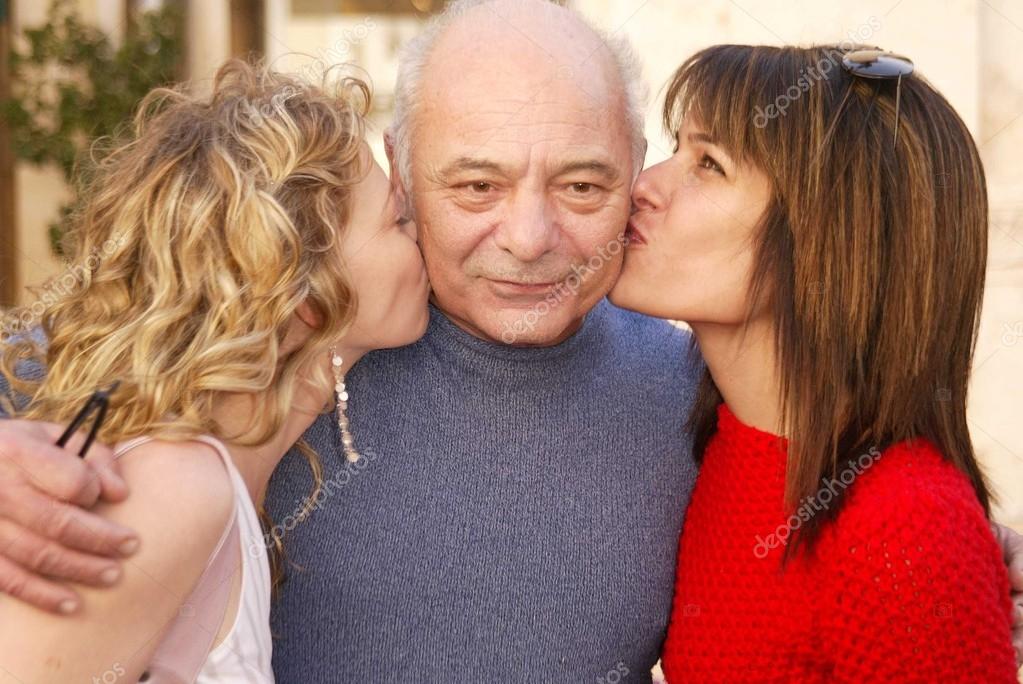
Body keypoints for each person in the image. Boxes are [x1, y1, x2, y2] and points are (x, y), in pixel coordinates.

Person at [0, 2, 1020, 681]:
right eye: (474, 186)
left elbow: (848, 525)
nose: (529, 240)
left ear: (633, 172)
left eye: (581, 185)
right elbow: (98, 359)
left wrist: (950, 555)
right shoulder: (277, 338)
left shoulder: (690, 400)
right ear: (399, 174)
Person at [0, 60, 429, 681]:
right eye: (395, 220)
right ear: (307, 295)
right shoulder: (175, 486)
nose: (420, 233)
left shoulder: (214, 477)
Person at [608, 44, 1021, 680]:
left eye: (708, 164)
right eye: (677, 151)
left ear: (826, 239)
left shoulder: (905, 529)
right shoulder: (718, 441)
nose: (644, 187)